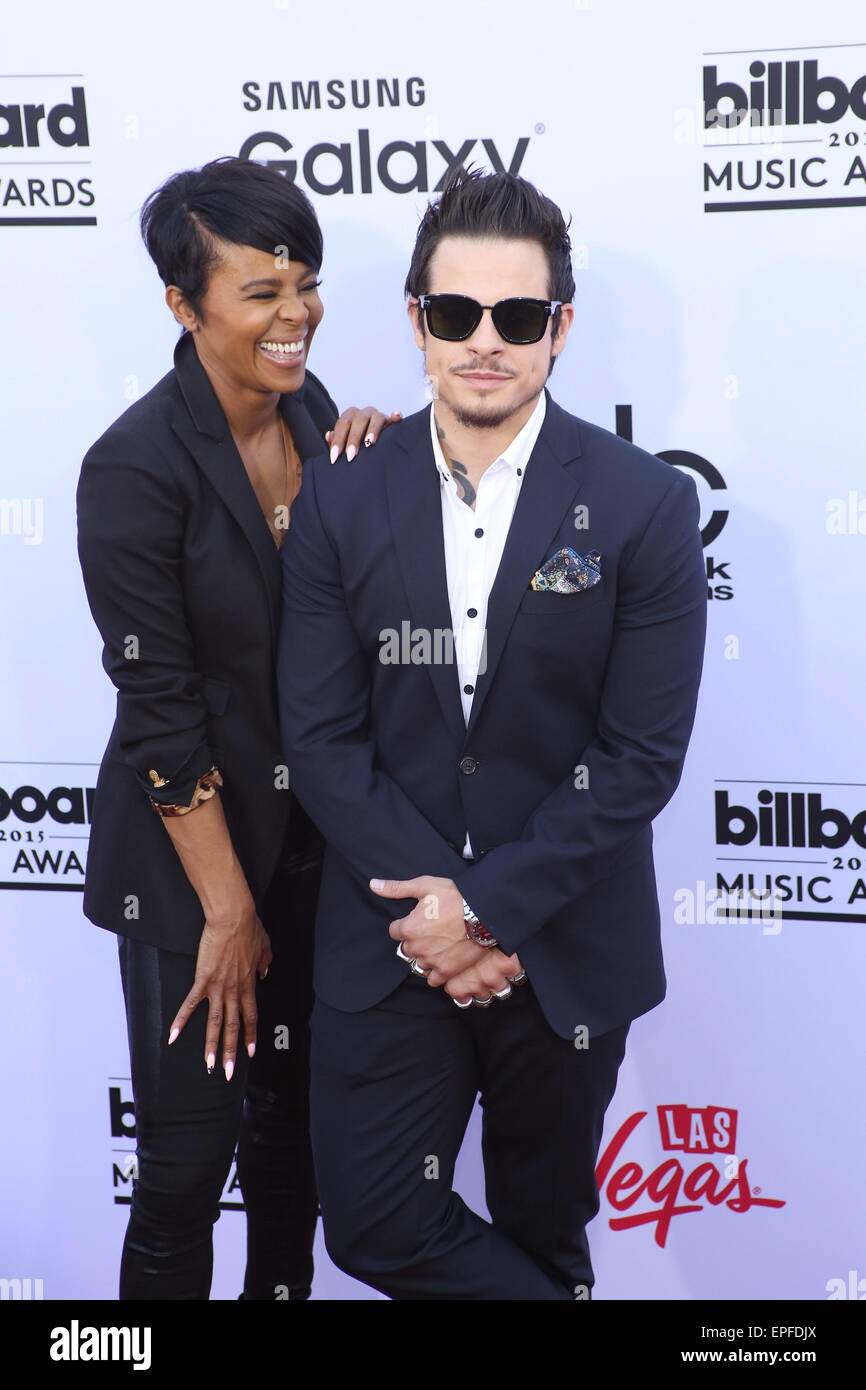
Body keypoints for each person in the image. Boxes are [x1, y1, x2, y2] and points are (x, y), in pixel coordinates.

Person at [276, 168, 707, 1299]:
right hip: (388, 938)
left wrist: (485, 908)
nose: (483, 342)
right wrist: (435, 910)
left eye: (515, 317)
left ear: (557, 329)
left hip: (559, 941)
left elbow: (636, 758)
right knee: (372, 1222)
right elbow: (319, 733)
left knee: (542, 1236)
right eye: (454, 313)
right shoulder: (343, 492)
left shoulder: (643, 506)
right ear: (415, 320)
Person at [76, 155, 398, 1300]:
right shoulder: (132, 467)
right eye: (259, 291)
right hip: (188, 878)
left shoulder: (317, 413)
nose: (294, 313)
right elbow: (159, 712)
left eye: (303, 281)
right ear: (183, 304)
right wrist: (227, 912)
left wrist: (376, 469)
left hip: (310, 856)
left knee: (290, 1156)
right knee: (180, 1167)